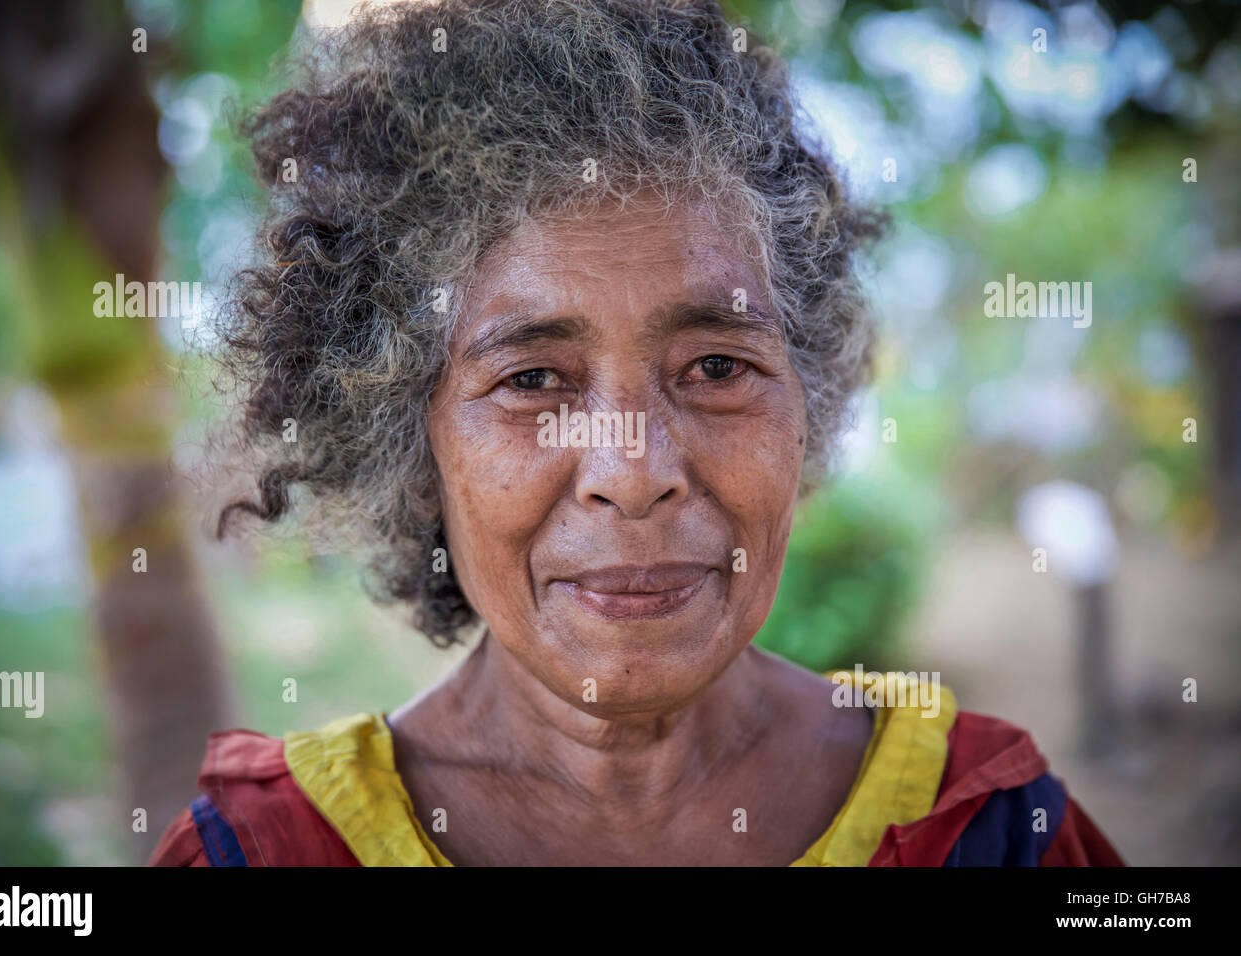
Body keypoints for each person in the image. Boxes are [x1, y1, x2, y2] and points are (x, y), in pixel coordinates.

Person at [151, 0, 1123, 867]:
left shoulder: (986, 829)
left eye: (715, 368)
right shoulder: (273, 852)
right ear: (411, 438)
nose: (634, 470)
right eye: (531, 379)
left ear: (808, 406)